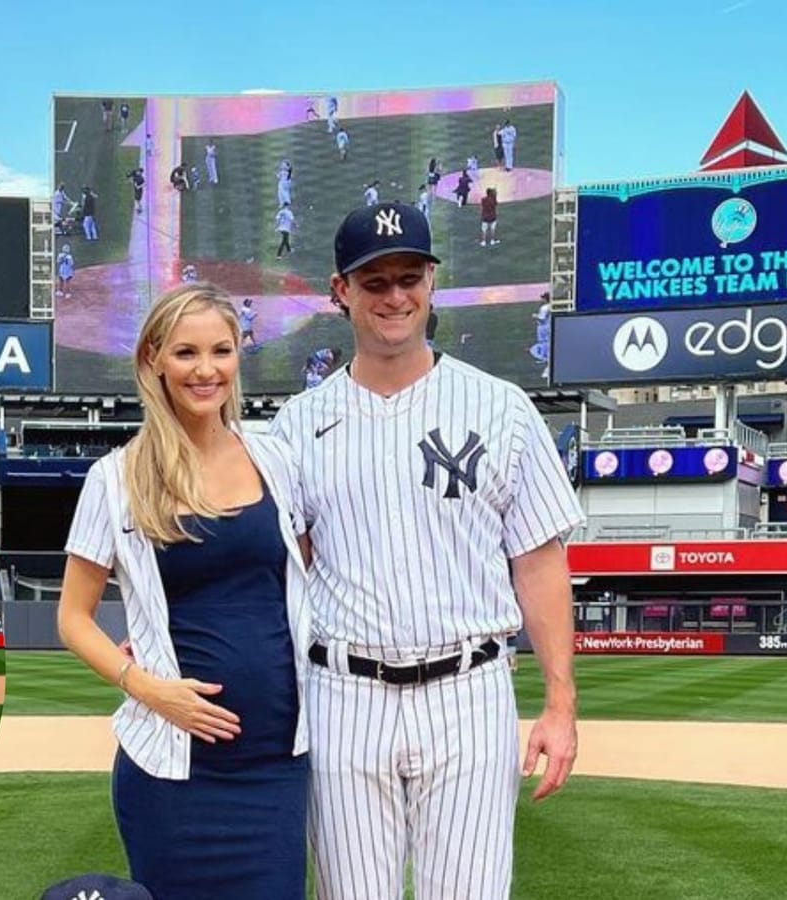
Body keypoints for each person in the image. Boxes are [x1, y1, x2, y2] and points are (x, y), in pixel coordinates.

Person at [270, 202, 583, 899]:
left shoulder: (500, 408)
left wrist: (560, 704)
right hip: (344, 694)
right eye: (373, 281)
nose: (394, 296)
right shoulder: (296, 426)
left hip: (469, 692)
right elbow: (282, 569)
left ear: (432, 280)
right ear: (340, 291)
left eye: (408, 276)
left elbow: (538, 563)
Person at [57, 283, 311, 900]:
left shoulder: (278, 460)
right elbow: (72, 618)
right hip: (172, 774)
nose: (205, 370)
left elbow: (308, 579)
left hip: (277, 766)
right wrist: (148, 688)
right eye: (186, 353)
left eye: (220, 351)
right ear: (154, 361)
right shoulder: (115, 477)